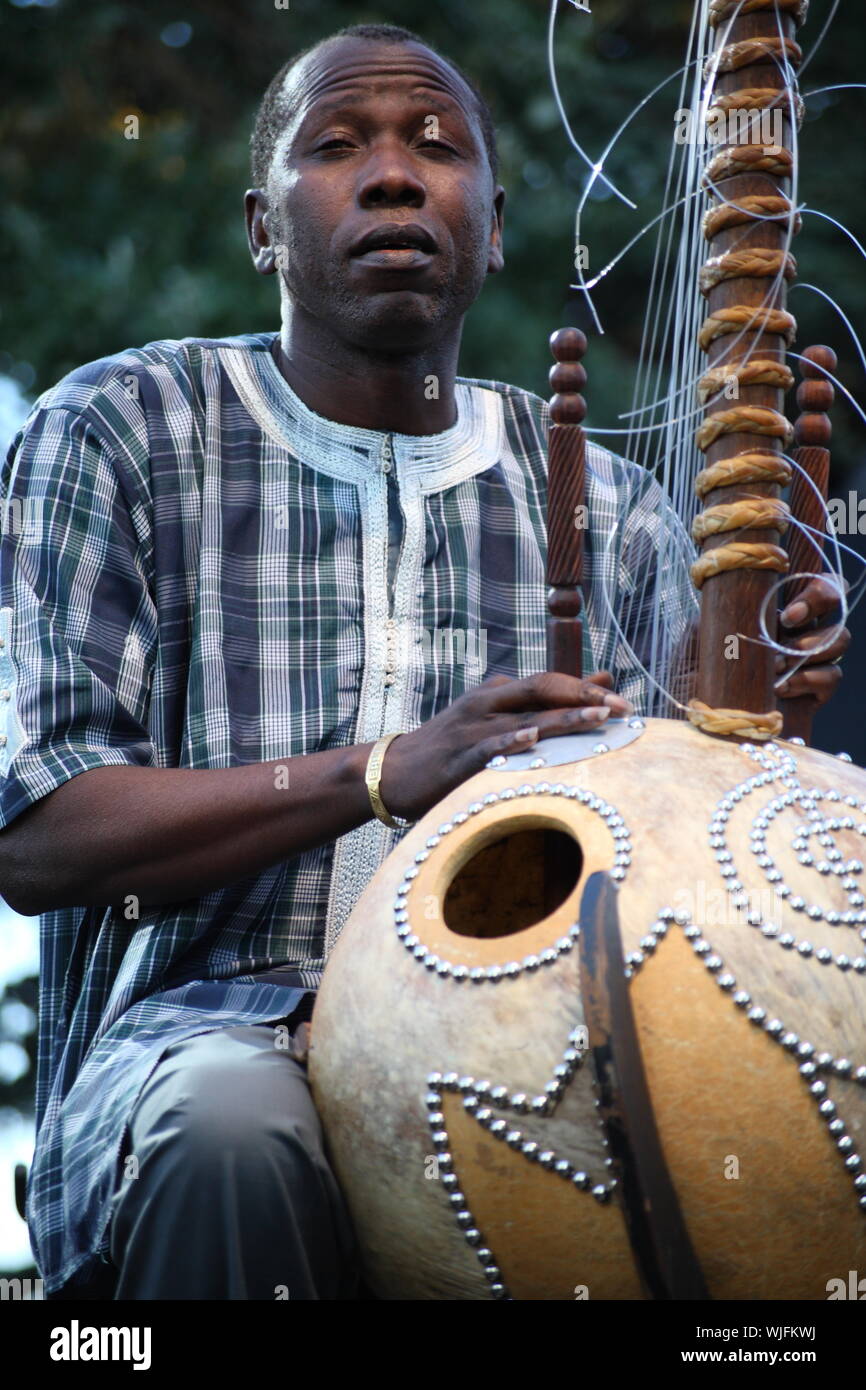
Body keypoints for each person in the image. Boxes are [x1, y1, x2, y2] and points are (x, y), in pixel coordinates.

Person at [0, 23, 847, 1301]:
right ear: (259, 228)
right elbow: (38, 834)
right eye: (335, 147)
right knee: (236, 1129)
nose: (392, 176)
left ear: (493, 227)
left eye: (436, 148)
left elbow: (673, 856)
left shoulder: (611, 510)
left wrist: (746, 711)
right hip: (203, 1053)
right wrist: (389, 768)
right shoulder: (122, 431)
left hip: (524, 1054)